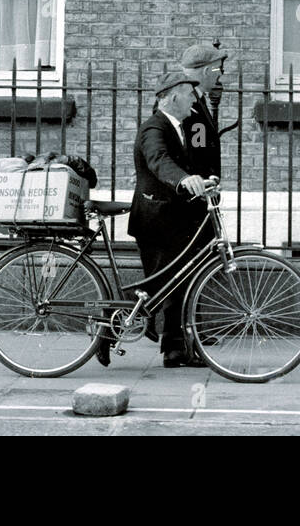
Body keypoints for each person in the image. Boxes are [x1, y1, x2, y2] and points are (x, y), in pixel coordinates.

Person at [124, 71, 215, 368]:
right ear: (174, 95)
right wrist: (184, 180)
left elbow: (180, 162)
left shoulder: (179, 126)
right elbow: (159, 160)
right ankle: (105, 333)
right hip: (156, 219)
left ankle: (175, 350)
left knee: (179, 282)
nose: (194, 99)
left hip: (172, 217)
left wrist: (201, 179)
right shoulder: (154, 128)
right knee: (160, 286)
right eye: (190, 94)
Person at [180, 41, 227, 180]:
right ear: (207, 71)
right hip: (190, 189)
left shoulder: (197, 98)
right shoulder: (182, 103)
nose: (220, 74)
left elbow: (198, 144)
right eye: (218, 69)